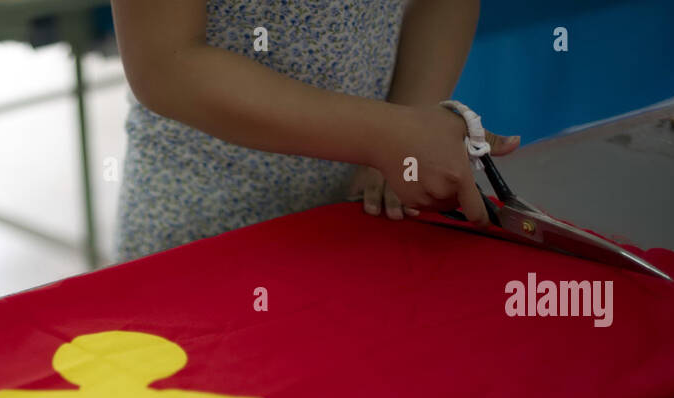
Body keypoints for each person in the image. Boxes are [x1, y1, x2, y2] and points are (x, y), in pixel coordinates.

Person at [110, 0, 520, 261]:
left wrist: (406, 122)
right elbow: (164, 65)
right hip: (206, 227)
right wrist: (387, 135)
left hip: (367, 219)